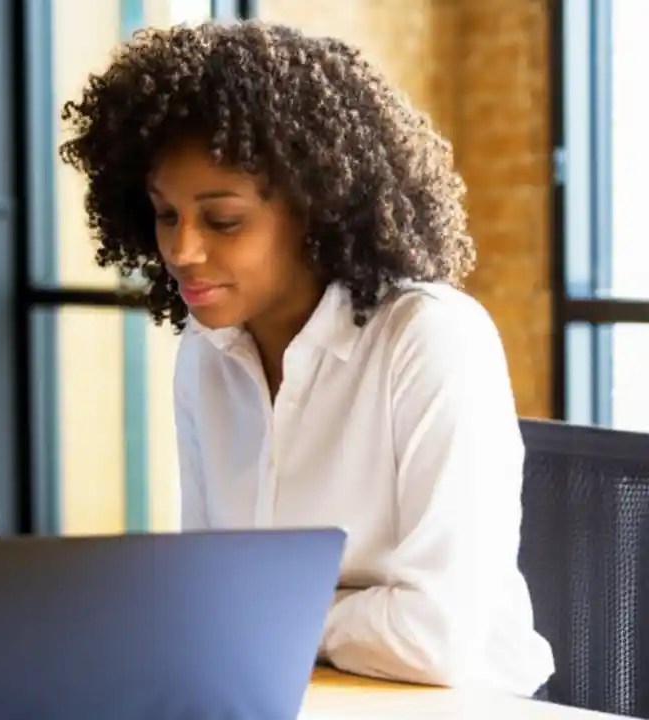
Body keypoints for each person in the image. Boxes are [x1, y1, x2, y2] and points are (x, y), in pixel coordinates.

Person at [58, 20, 553, 695]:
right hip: (290, 693)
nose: (181, 251)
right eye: (165, 215)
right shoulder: (206, 356)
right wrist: (273, 619)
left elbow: (436, 639)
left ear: (315, 206)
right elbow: (208, 604)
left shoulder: (431, 341)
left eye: (222, 220)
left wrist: (269, 617)